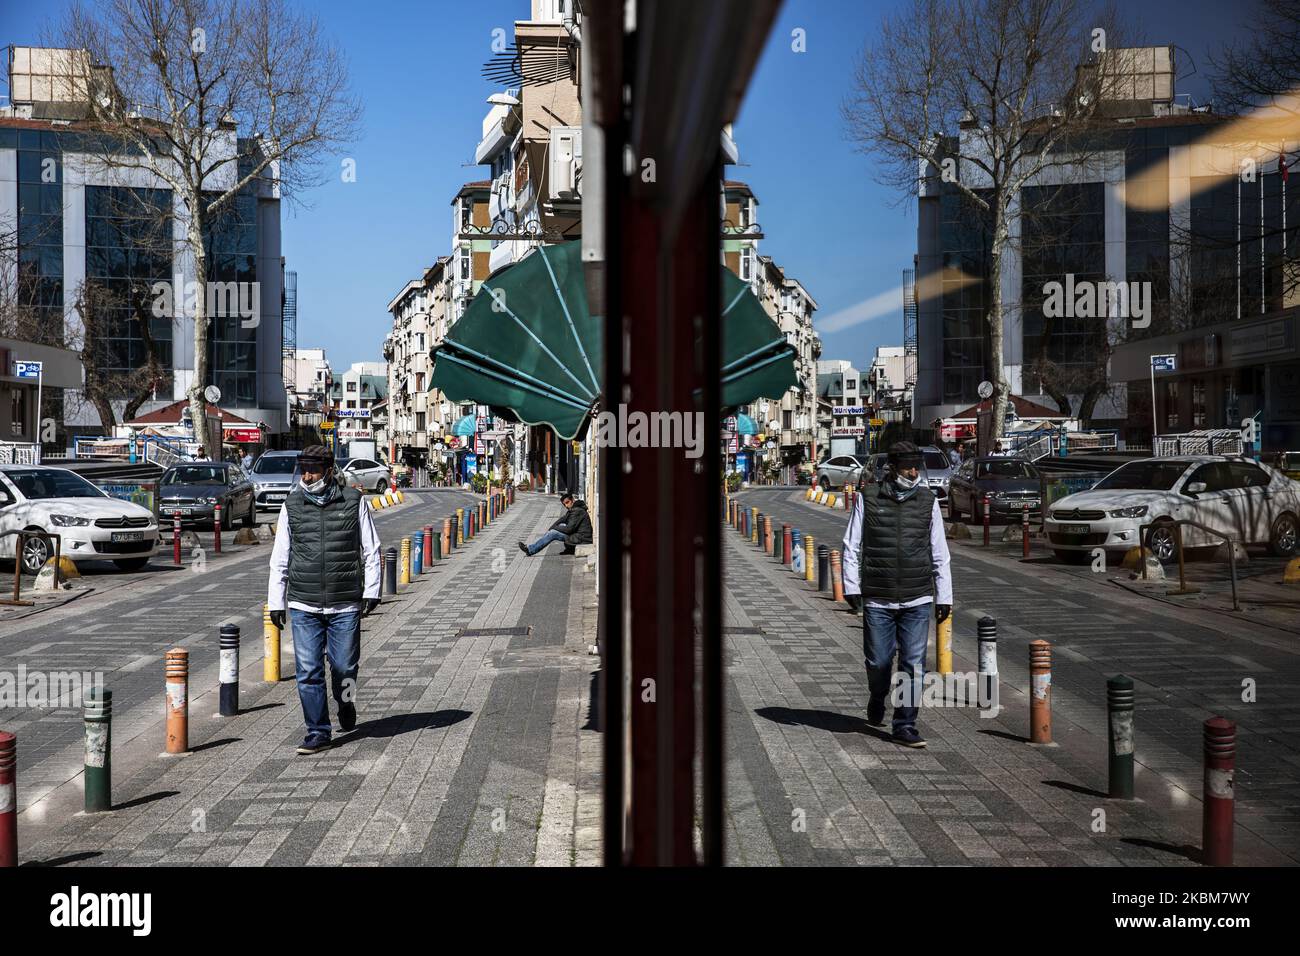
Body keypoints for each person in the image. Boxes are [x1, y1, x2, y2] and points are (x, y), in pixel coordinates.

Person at [267, 445, 382, 754]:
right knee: (308, 671)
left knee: (344, 667)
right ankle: (318, 731)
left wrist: (372, 590)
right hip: (304, 603)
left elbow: (371, 549)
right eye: (303, 469)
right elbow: (280, 556)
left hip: (344, 603)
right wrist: (276, 601)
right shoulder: (291, 505)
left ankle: (346, 703)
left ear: (329, 471)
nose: (307, 475)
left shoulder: (354, 501)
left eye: (314, 469)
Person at [841, 441, 952, 748]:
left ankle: (904, 724)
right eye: (907, 467)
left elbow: (940, 551)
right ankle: (877, 696)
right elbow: (852, 545)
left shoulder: (928, 501)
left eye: (916, 467)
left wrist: (944, 596)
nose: (913, 472)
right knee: (878, 662)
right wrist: (851, 587)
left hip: (917, 597)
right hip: (878, 597)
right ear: (892, 468)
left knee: (913, 664)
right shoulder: (868, 498)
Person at [518, 492, 593, 556]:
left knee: (553, 533)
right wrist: (553, 526)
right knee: (559, 527)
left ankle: (530, 550)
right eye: (564, 504)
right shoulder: (575, 508)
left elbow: (569, 529)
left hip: (582, 538)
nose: (566, 506)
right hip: (578, 535)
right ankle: (569, 549)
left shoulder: (577, 511)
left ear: (572, 500)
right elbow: (563, 519)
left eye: (567, 502)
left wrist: (554, 528)